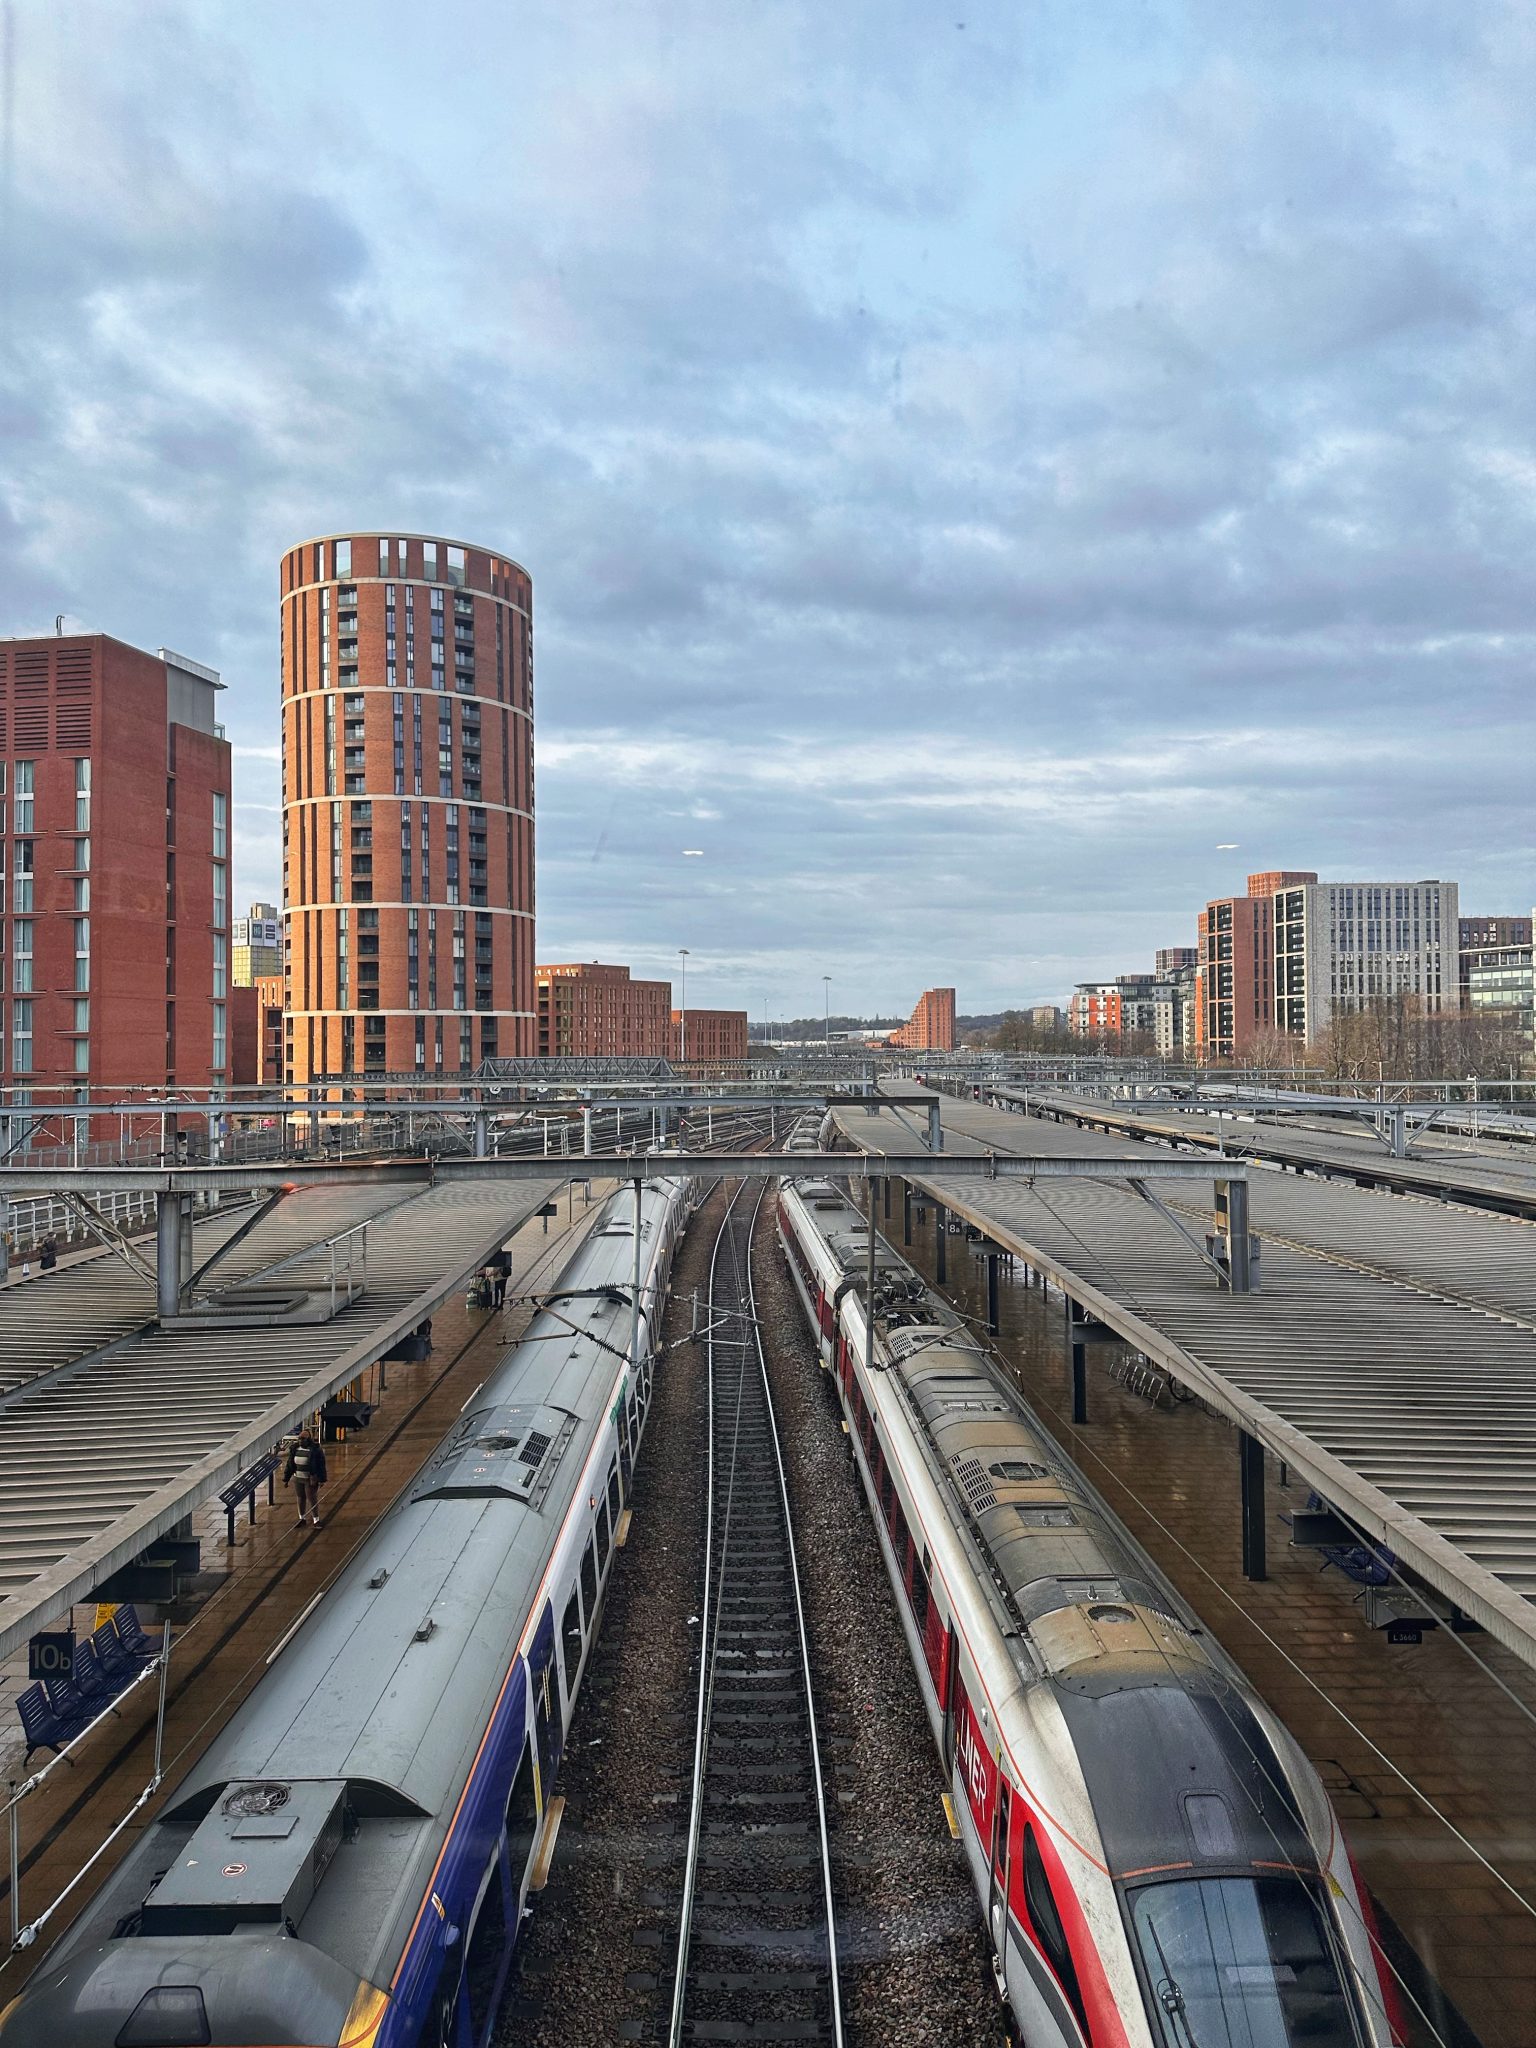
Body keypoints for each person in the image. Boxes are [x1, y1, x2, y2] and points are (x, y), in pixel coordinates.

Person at [283, 1429, 328, 1528]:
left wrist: (321, 1479)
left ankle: (316, 1519)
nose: (300, 1441)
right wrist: (286, 1479)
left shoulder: (315, 1450)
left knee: (312, 1498)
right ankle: (302, 1518)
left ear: (309, 1439)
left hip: (310, 1478)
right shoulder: (294, 1449)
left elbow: (321, 1465)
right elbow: (290, 1464)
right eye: (299, 1438)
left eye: (303, 1439)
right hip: (298, 1477)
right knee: (300, 1498)